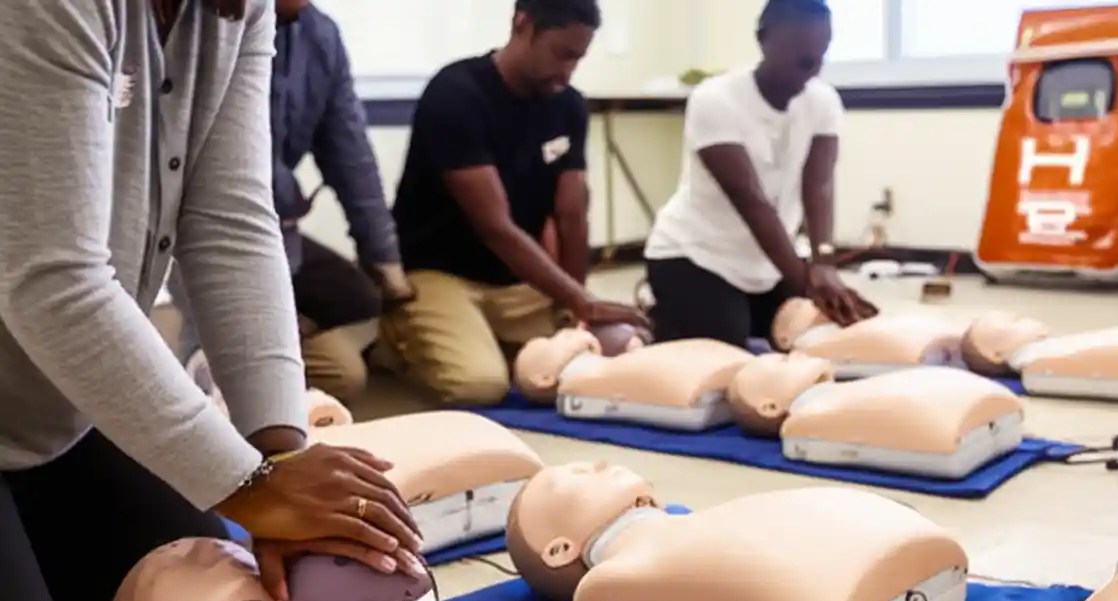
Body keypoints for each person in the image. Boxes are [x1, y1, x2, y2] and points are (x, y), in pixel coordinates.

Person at [0, 1, 424, 601]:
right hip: (34, 358)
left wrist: (279, 458)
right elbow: (54, 283)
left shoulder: (237, 10)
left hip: (55, 410)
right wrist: (246, 484)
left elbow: (231, 219)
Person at [385, 0, 649, 407]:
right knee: (479, 386)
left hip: (515, 284)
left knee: (616, 344)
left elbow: (571, 215)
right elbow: (495, 226)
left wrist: (576, 308)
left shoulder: (568, 105)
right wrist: (581, 301)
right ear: (521, 25)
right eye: (560, 54)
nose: (567, 72)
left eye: (577, 59)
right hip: (440, 274)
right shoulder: (456, 94)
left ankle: (495, 340)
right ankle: (395, 336)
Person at [172, 0, 415, 402]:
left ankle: (281, 344)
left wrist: (386, 260)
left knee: (361, 303)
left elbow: (351, 157)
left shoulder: (321, 36)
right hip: (197, 223)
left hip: (278, 227)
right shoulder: (205, 22)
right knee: (220, 367)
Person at [642, 0, 878, 350]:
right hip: (696, 257)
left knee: (824, 337)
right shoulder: (715, 100)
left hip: (769, 265)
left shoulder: (822, 101)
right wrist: (807, 284)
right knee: (724, 356)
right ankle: (661, 311)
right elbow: (752, 202)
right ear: (764, 40)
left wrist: (824, 263)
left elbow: (819, 186)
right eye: (801, 56)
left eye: (820, 55)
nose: (812, 67)